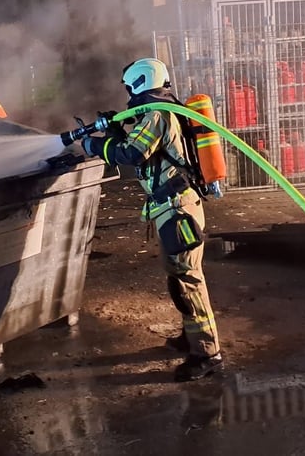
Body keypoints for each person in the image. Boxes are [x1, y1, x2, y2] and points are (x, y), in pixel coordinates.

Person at [78, 57, 223, 381]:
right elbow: (142, 147)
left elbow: (133, 154)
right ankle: (193, 337)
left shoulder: (157, 114)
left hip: (177, 207)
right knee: (180, 277)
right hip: (172, 206)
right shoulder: (161, 111)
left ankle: (208, 353)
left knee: (188, 282)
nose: (129, 95)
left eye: (130, 87)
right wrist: (115, 131)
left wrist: (94, 144)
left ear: (141, 82)